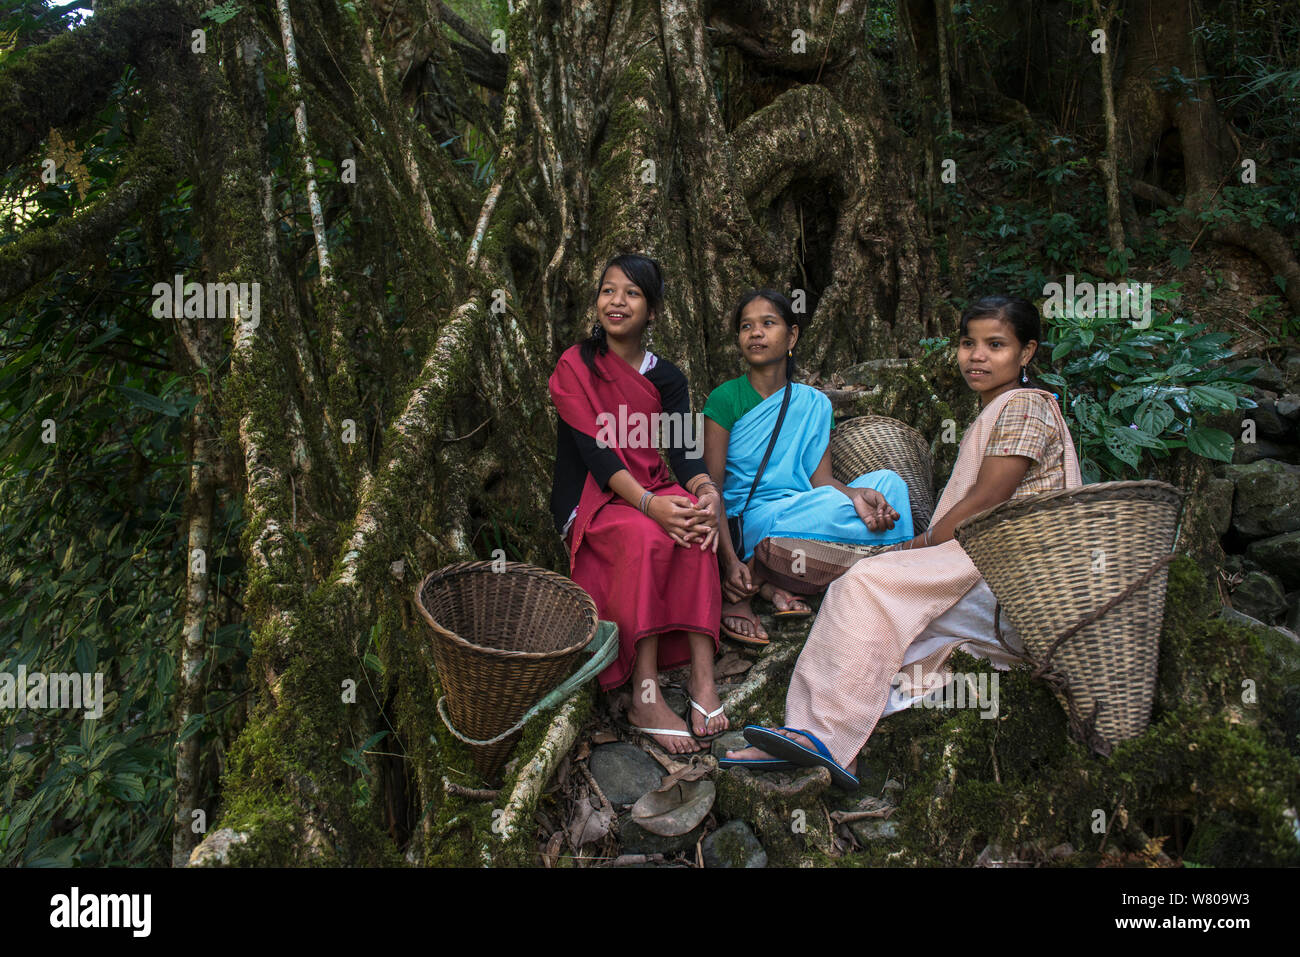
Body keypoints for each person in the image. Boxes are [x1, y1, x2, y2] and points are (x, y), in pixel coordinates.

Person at [723, 295, 1082, 787]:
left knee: (865, 583)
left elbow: (989, 497)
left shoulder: (1023, 406)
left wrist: (920, 546)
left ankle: (819, 736)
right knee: (883, 612)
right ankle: (833, 745)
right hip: (990, 573)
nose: (977, 355)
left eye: (995, 345)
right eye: (968, 343)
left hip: (1011, 574)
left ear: (1026, 353)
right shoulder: (1002, 407)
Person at [548, 253, 726, 754]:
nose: (617, 301)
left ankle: (702, 680)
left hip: (650, 488)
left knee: (693, 529)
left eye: (632, 293)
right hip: (592, 498)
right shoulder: (575, 365)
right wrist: (652, 507)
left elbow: (684, 454)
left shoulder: (667, 378)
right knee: (652, 535)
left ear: (653, 311)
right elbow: (596, 454)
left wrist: (705, 493)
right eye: (608, 290)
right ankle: (645, 694)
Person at [702, 289, 914, 646]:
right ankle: (755, 581)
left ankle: (777, 579)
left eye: (768, 323)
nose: (755, 333)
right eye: (746, 326)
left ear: (792, 336)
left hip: (808, 511)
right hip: (755, 519)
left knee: (888, 485)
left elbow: (822, 481)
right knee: (827, 510)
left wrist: (856, 494)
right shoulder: (725, 399)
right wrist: (727, 561)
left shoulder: (815, 403)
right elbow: (712, 488)